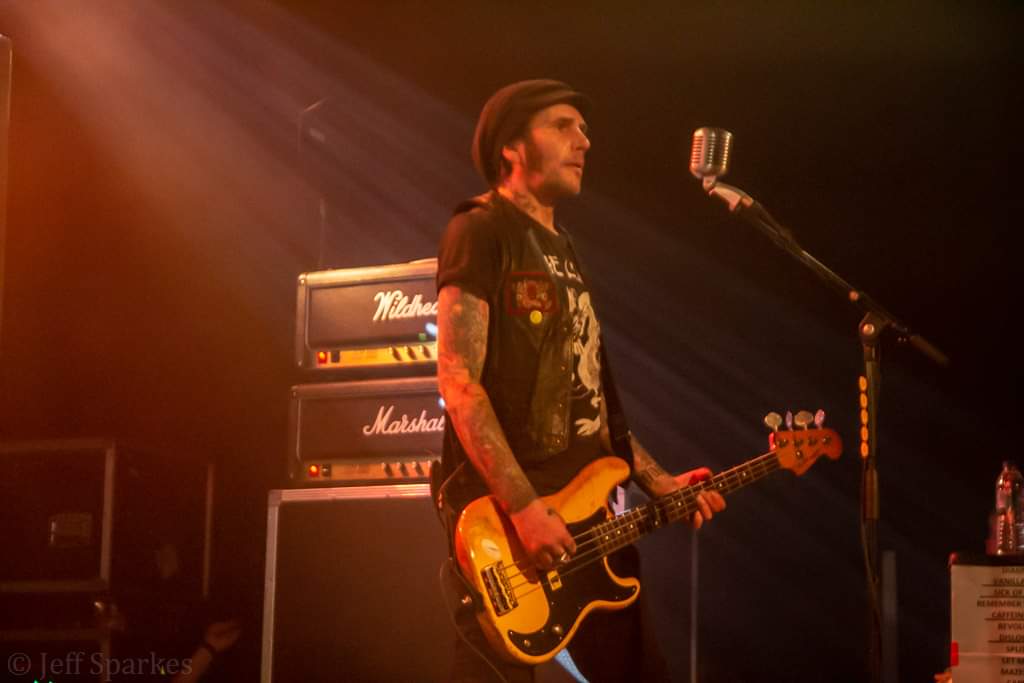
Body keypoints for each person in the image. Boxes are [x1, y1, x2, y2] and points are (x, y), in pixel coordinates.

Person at [434, 79, 727, 683]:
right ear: (511, 146)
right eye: (562, 126)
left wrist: (660, 482)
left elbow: (590, 402)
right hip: (508, 517)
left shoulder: (564, 249)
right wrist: (523, 508)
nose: (584, 141)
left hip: (585, 514)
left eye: (584, 129)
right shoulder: (481, 230)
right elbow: (460, 382)